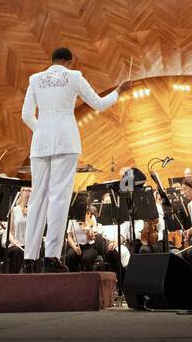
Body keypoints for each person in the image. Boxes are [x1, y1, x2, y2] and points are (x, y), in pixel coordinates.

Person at [20, 47, 128, 271]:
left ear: (52, 60)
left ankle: (29, 258)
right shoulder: (74, 76)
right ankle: (51, 257)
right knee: (58, 197)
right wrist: (119, 91)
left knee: (37, 199)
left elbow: (26, 115)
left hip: (40, 144)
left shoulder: (35, 79)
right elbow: (98, 103)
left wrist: (43, 130)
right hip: (66, 141)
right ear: (70, 61)